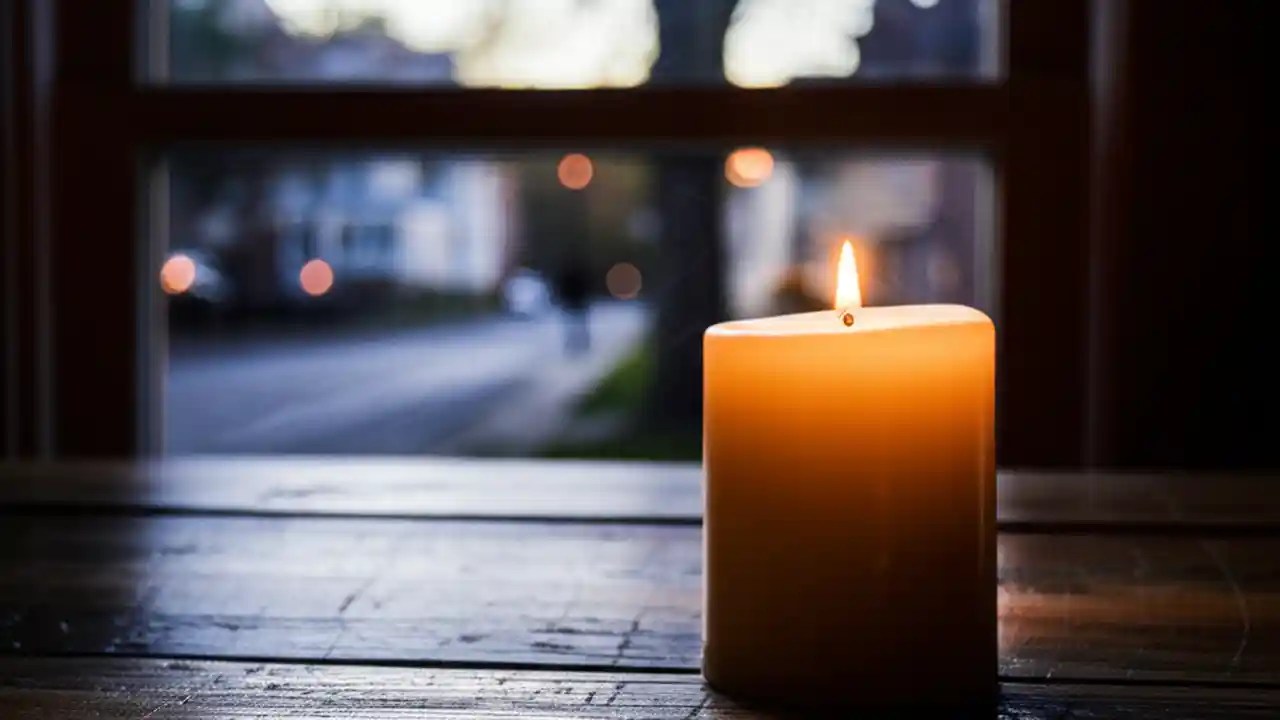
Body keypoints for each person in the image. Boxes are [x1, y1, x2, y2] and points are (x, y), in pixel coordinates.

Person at [556, 257, 591, 355]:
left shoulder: (567, 276)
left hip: (572, 303)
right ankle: (580, 343)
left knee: (572, 326)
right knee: (578, 325)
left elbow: (562, 289)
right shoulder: (579, 276)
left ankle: (575, 343)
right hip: (577, 303)